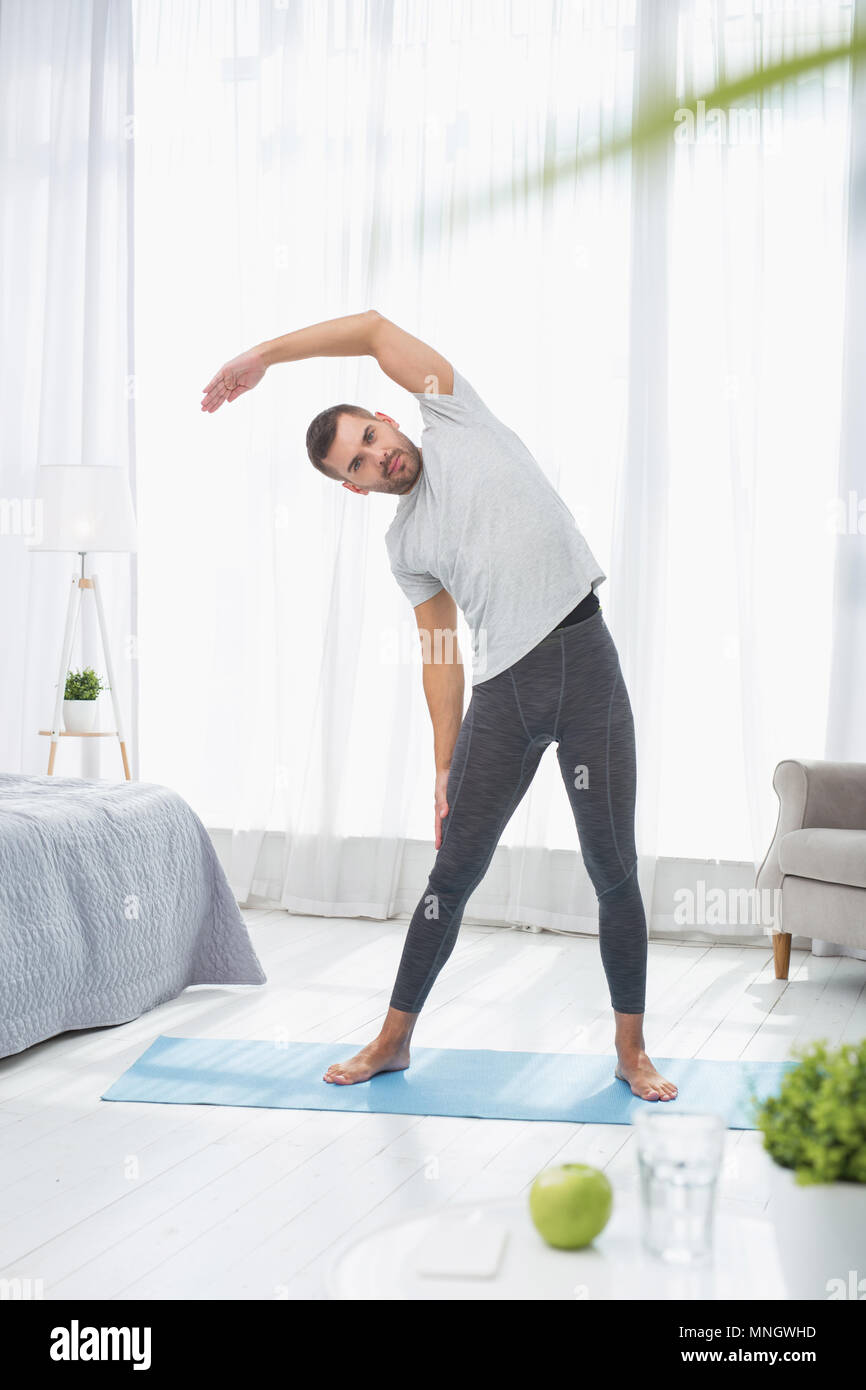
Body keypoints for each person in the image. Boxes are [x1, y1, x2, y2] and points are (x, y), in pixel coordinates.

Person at [201, 310, 677, 1102]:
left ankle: (631, 1051)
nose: (377, 457)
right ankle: (392, 1039)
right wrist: (444, 763)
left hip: (587, 666)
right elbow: (440, 652)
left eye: (369, 436)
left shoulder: (455, 415)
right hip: (506, 696)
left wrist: (264, 356)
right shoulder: (405, 544)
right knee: (452, 872)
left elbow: (372, 327)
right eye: (359, 464)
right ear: (355, 489)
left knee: (612, 868)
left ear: (388, 416)